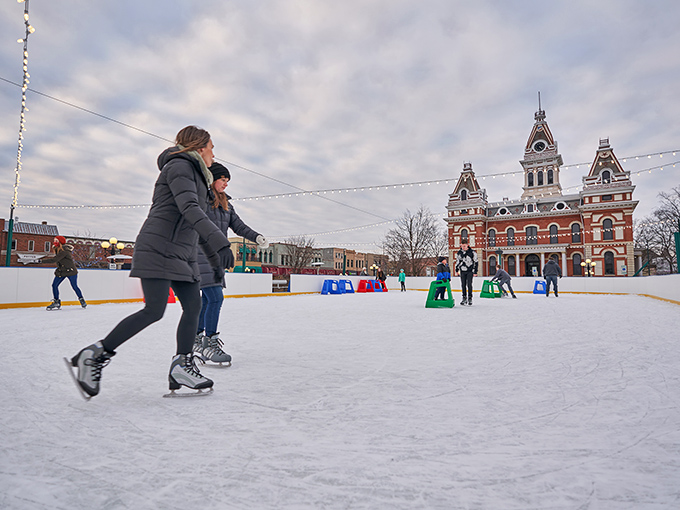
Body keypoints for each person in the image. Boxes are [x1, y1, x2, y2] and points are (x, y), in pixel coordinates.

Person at [66, 126, 231, 398]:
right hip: (159, 246)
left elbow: (193, 222)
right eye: (211, 147)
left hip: (181, 253)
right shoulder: (180, 166)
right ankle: (94, 355)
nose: (214, 153)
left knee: (193, 306)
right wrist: (220, 242)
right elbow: (189, 210)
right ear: (199, 147)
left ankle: (182, 367)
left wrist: (214, 258)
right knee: (154, 310)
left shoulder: (198, 175)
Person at [193, 162, 268, 365]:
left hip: (217, 258)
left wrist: (257, 237)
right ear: (212, 179)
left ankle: (197, 339)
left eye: (228, 181)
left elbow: (239, 226)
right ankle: (209, 343)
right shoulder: (201, 200)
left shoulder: (227, 205)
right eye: (223, 180)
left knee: (208, 300)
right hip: (201, 255)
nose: (226, 184)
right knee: (215, 297)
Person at [41, 235, 87, 310]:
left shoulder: (65, 251)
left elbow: (54, 260)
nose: (54, 242)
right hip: (62, 271)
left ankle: (82, 300)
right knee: (54, 285)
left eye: (56, 241)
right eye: (54, 240)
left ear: (60, 242)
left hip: (71, 271)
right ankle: (56, 301)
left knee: (74, 286)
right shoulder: (57, 249)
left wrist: (41, 261)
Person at [455, 241, 478, 306]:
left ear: (467, 245)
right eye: (462, 246)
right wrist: (456, 270)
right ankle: (464, 297)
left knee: (469, 284)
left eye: (464, 246)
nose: (463, 247)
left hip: (470, 270)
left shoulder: (472, 252)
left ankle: (470, 298)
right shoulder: (459, 253)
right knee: (463, 284)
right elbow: (457, 261)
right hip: (462, 271)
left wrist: (475, 271)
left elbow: (476, 262)